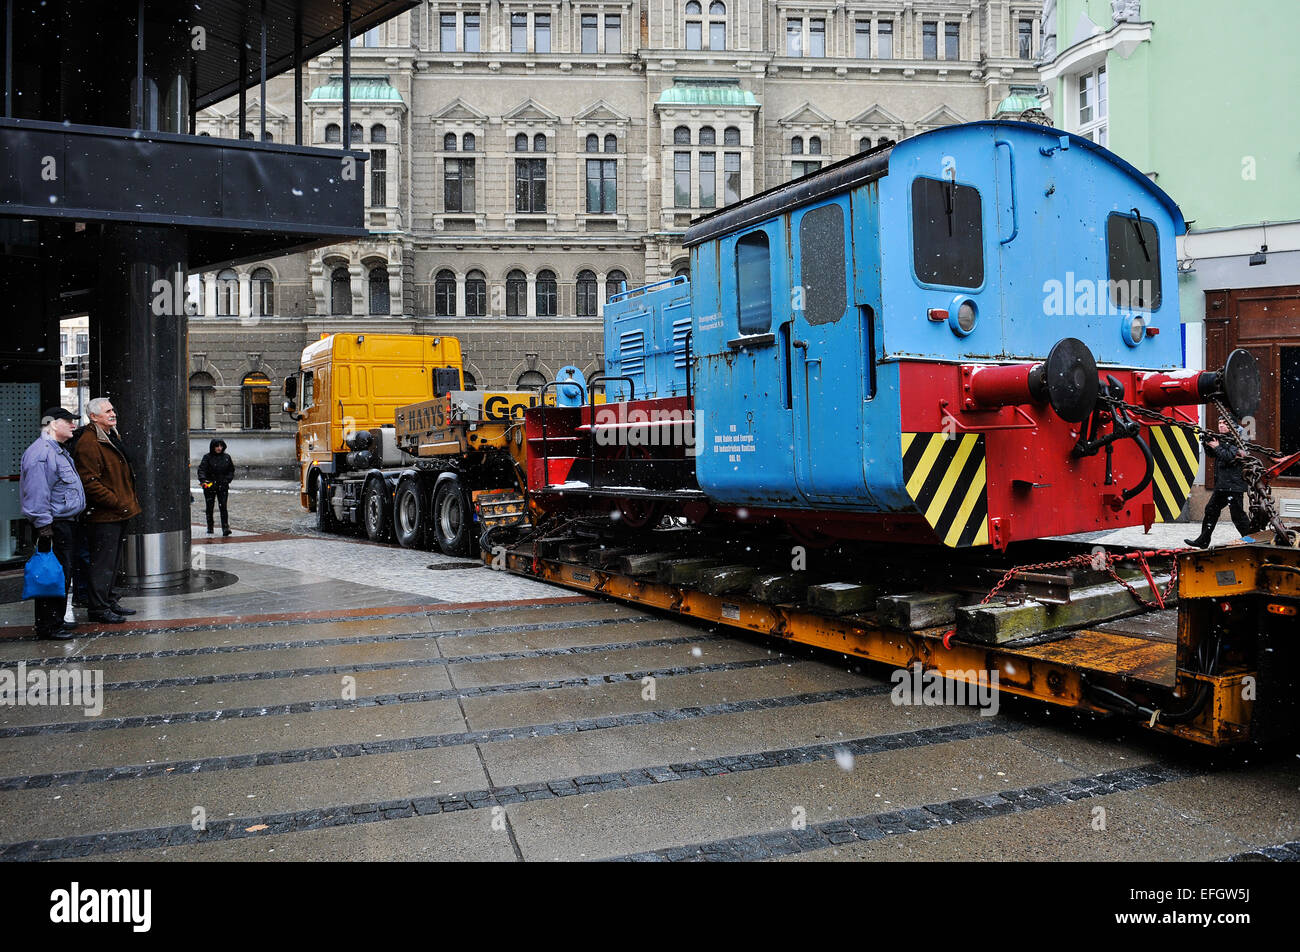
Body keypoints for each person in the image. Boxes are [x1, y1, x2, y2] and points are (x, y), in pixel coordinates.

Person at [73, 397, 142, 623]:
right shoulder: (89, 442)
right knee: (102, 563)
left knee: (111, 562)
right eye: (107, 411)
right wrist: (116, 501)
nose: (113, 414)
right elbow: (90, 482)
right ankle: (98, 608)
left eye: (113, 409)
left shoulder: (110, 435)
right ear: (93, 417)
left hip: (116, 512)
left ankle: (108, 600)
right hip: (104, 515)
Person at [19, 408, 86, 639]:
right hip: (54, 524)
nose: (73, 425)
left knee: (61, 573)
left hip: (64, 523)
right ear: (52, 424)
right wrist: (44, 526)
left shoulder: (57, 451)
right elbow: (37, 493)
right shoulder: (42, 453)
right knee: (51, 574)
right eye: (67, 421)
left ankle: (55, 620)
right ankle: (48, 626)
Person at [1185, 419, 1255, 548]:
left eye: (1224, 423)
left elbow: (1229, 456)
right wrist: (1207, 443)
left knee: (1237, 515)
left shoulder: (1239, 439)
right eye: (1219, 423)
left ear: (1232, 425)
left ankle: (1252, 540)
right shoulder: (1222, 438)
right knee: (1211, 509)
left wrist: (1216, 446)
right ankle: (1203, 540)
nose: (1221, 425)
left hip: (1234, 485)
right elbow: (1212, 454)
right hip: (1223, 484)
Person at [197, 438, 235, 536]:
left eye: (221, 446)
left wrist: (227, 479)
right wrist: (203, 480)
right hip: (210, 486)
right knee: (209, 507)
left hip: (223, 485)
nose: (219, 448)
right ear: (213, 447)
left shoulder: (226, 457)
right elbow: (201, 470)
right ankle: (210, 527)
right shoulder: (207, 457)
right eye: (217, 446)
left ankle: (225, 527)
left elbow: (231, 470)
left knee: (223, 506)